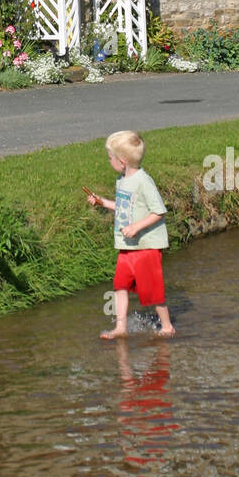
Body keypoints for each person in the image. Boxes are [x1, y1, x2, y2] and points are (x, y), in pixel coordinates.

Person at [86, 129, 175, 340]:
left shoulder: (143, 181)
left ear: (122, 161)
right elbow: (123, 207)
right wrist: (102, 202)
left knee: (152, 289)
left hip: (146, 246)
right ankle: (121, 327)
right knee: (120, 284)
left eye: (110, 158)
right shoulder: (122, 180)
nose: (109, 161)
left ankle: (167, 326)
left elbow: (159, 211)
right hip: (127, 246)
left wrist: (136, 228)